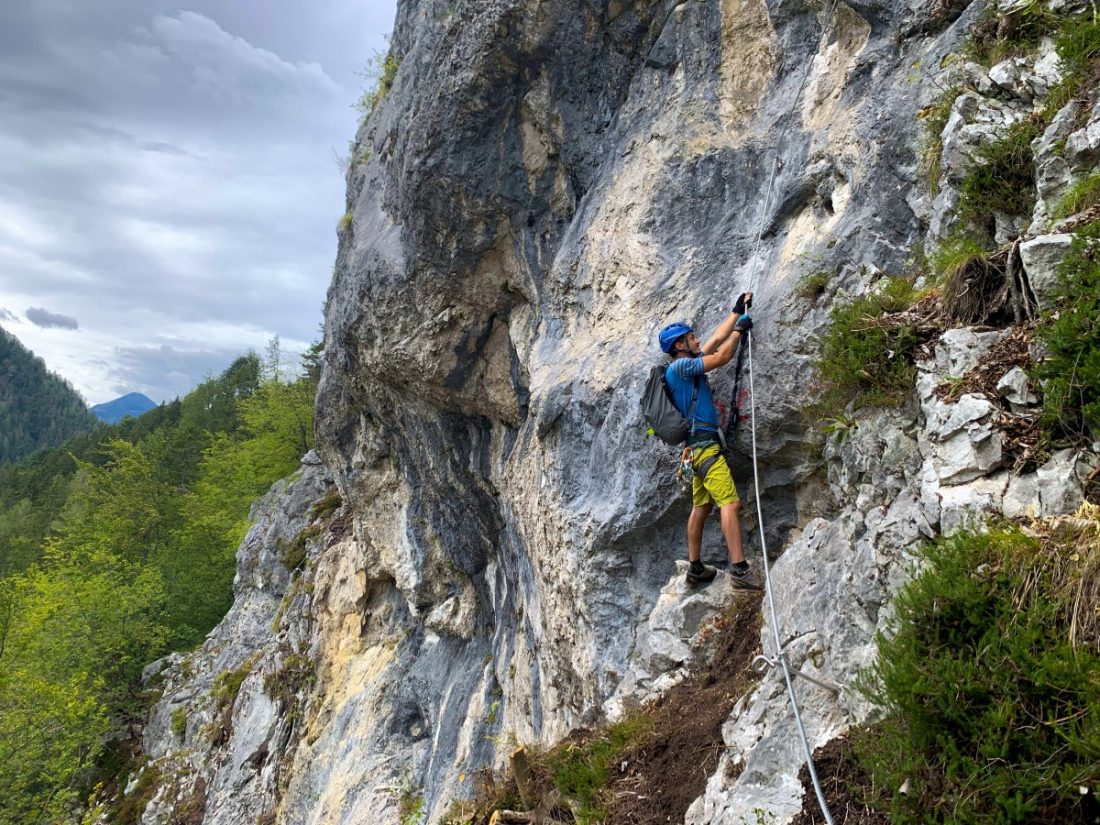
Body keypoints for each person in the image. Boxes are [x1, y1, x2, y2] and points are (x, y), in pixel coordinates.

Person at [658, 293, 755, 587]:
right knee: (731, 503)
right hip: (706, 449)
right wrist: (740, 331)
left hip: (694, 453)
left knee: (701, 507)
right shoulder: (681, 367)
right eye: (691, 337)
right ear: (679, 345)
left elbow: (715, 340)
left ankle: (696, 568)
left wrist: (736, 312)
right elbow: (723, 356)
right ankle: (740, 570)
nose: (697, 340)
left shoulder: (683, 367)